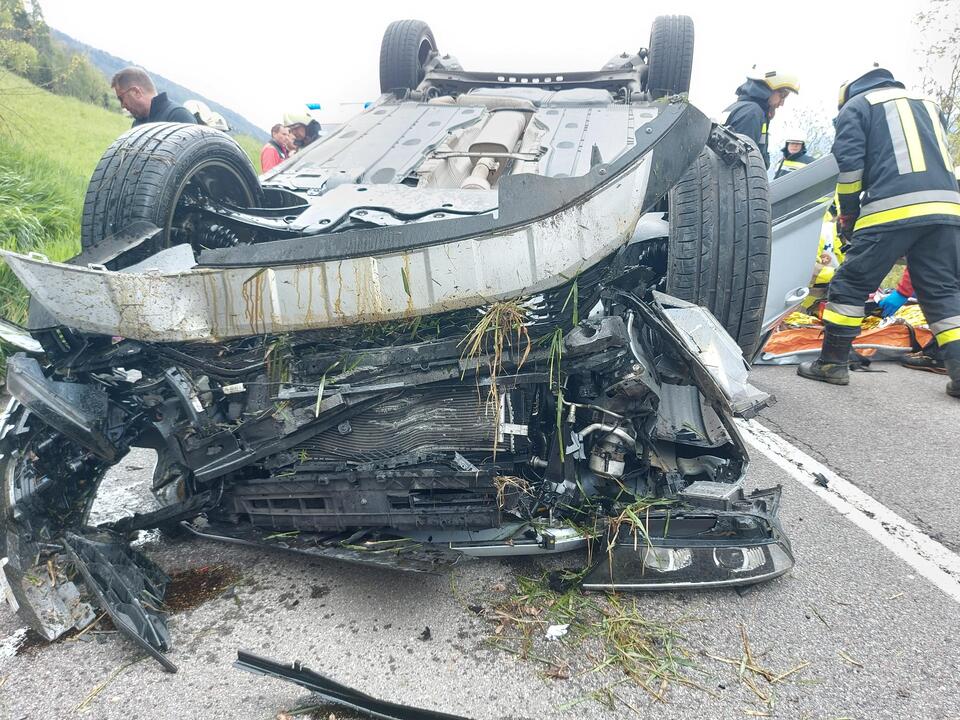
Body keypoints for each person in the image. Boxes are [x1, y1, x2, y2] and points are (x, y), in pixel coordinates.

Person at [797, 68, 960, 397]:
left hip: (891, 207)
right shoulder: (928, 104)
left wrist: (848, 216)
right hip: (947, 209)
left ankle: (832, 363)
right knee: (942, 292)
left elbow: (849, 170)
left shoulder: (858, 106)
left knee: (851, 283)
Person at [723, 70, 800, 168]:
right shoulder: (752, 113)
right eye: (782, 96)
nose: (782, 103)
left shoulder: (744, 108)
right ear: (767, 89)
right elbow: (738, 165)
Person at [111, 67, 196, 127]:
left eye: (121, 98)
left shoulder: (178, 116)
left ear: (136, 92)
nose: (122, 105)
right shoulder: (137, 124)